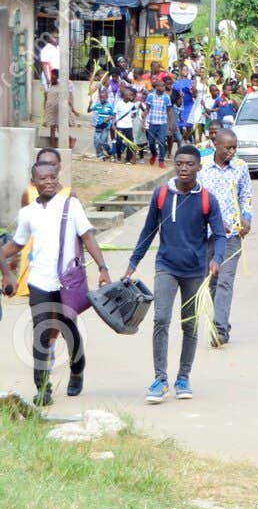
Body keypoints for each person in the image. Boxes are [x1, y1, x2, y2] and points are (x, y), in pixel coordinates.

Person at [1, 161, 111, 404]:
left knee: (68, 328)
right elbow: (17, 244)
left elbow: (87, 236)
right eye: (43, 178)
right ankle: (42, 389)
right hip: (39, 281)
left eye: (53, 177)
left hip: (67, 282)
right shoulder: (28, 213)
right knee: (41, 333)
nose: (49, 181)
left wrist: (103, 268)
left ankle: (77, 370)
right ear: (34, 183)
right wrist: (5, 269)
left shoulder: (71, 206)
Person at [125, 146, 228, 405]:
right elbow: (148, 231)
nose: (184, 168)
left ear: (199, 167)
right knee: (161, 319)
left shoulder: (208, 199)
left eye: (189, 164)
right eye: (179, 163)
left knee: (189, 325)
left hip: (195, 271)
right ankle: (160, 379)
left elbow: (220, 235)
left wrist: (216, 259)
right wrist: (133, 262)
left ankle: (183, 378)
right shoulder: (161, 195)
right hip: (166, 266)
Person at [198, 129, 253, 347]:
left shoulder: (240, 167)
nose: (231, 152)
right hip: (205, 234)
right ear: (216, 145)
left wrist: (247, 217)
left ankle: (219, 329)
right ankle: (220, 320)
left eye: (234, 147)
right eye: (227, 148)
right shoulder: (201, 167)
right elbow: (194, 197)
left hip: (231, 235)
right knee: (211, 281)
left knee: (225, 280)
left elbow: (246, 194)